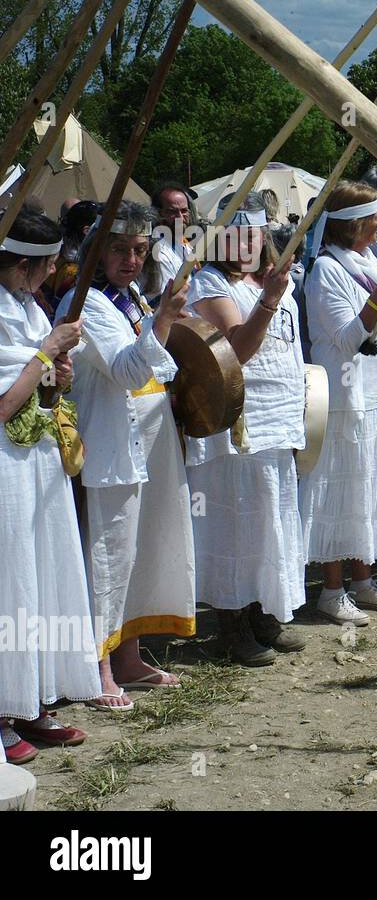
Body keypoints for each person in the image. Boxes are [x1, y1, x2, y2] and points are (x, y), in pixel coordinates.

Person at [56, 202, 196, 711]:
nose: (131, 260)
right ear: (96, 251)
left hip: (149, 440)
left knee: (137, 554)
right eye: (118, 249)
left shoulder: (130, 294)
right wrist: (163, 318)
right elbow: (128, 372)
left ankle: (129, 654)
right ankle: (95, 667)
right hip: (110, 442)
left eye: (139, 250)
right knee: (108, 557)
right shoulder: (84, 301)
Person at [183, 194, 307, 665]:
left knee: (268, 520)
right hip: (237, 417)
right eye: (235, 233)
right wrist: (269, 301)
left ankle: (262, 608)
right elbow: (239, 349)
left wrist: (275, 291)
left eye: (252, 233)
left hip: (277, 416)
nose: (245, 242)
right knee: (234, 522)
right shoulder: (210, 283)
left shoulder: (276, 279)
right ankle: (230, 621)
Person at [0, 211, 101, 761]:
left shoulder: (24, 304)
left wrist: (53, 380)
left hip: (37, 459)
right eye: (45, 269)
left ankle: (31, 694)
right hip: (4, 469)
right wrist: (44, 355)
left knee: (42, 572)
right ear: (22, 266)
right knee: (10, 579)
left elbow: (32, 397)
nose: (49, 278)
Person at [298, 182, 377, 625]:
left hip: (375, 394)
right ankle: (331, 589)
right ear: (354, 223)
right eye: (376, 216)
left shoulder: (367, 263)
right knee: (337, 493)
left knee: (368, 489)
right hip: (343, 396)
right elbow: (346, 339)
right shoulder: (326, 269)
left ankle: (364, 581)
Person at [149, 183, 195, 291]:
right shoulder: (158, 252)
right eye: (172, 212)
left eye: (184, 211)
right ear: (158, 214)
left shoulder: (186, 246)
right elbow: (169, 298)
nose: (180, 217)